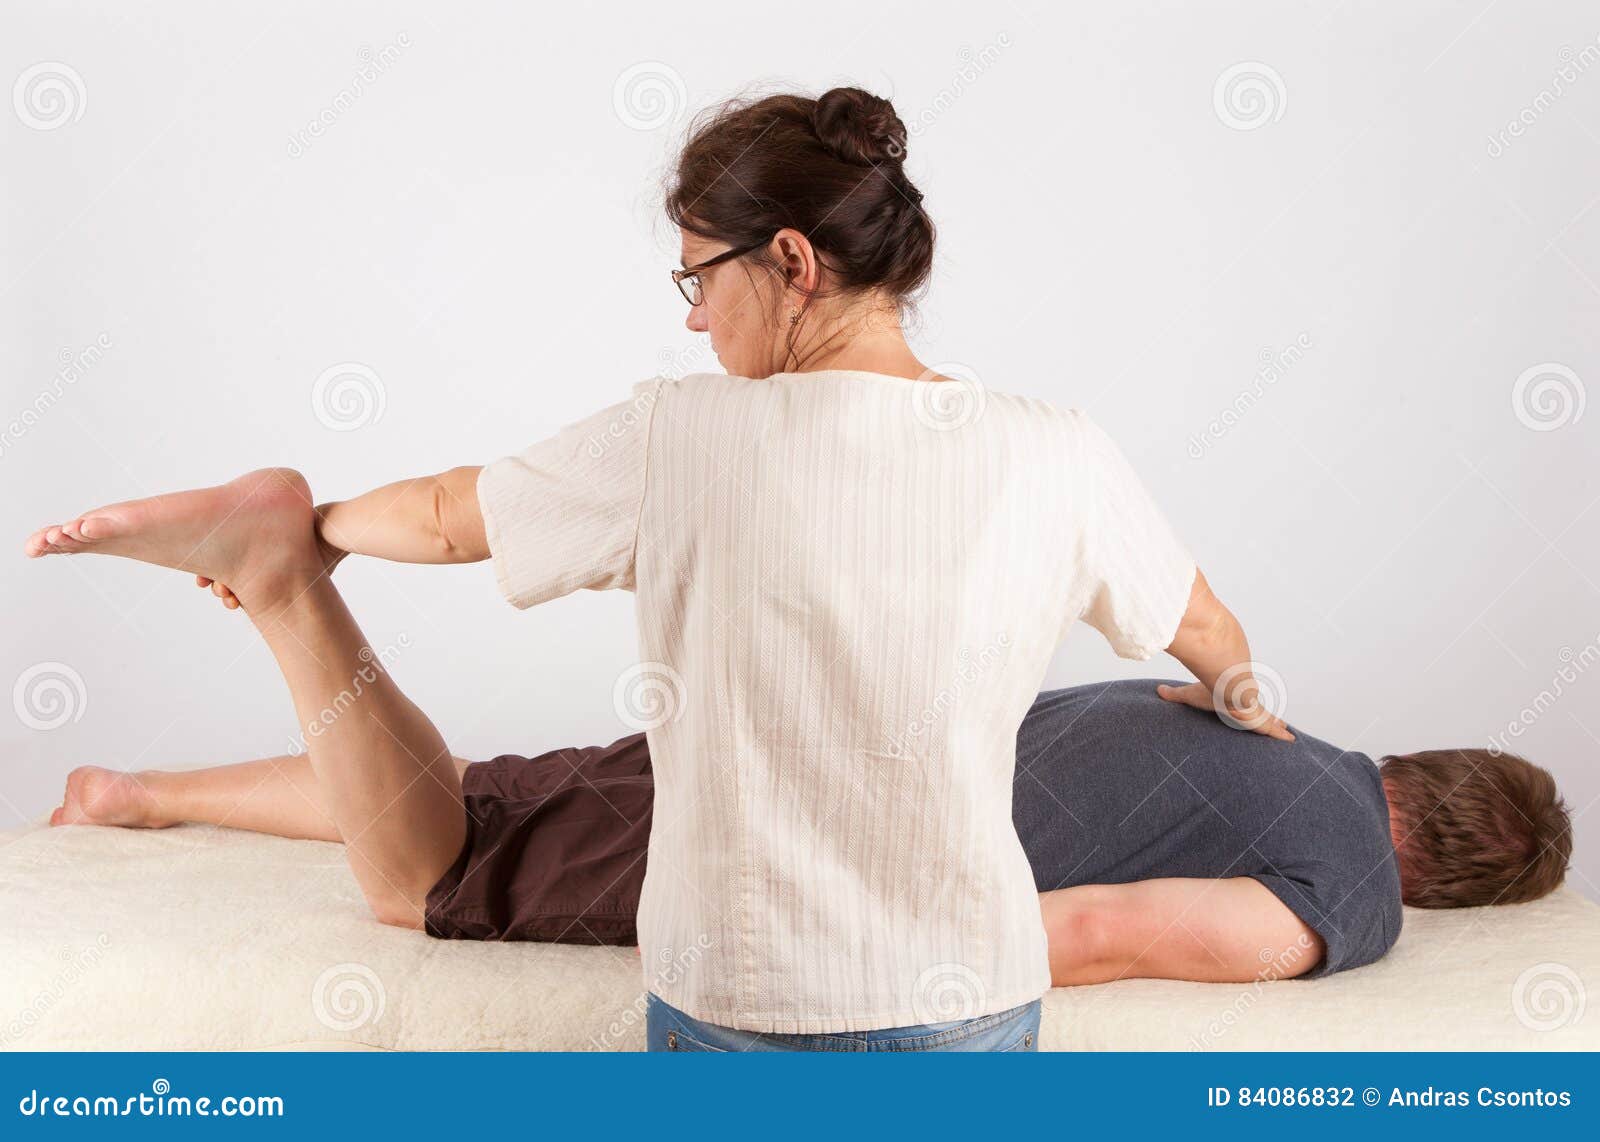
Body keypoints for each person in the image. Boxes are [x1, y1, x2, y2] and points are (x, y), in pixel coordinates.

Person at [25, 87, 1292, 1052]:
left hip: (732, 1004)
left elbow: (456, 515)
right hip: (968, 1002)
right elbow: (1202, 619)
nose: (691, 313)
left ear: (791, 262)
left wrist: (315, 527)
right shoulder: (1054, 451)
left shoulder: (682, 436)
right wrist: (1239, 699)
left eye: (699, 274)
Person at [48, 680, 1573, 999]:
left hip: (790, 731)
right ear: (1455, 879)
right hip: (796, 847)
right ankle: (289, 596)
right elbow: (1097, 931)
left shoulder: (1258, 716)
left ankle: (137, 790)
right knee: (435, 879)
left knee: (478, 791)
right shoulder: (1349, 892)